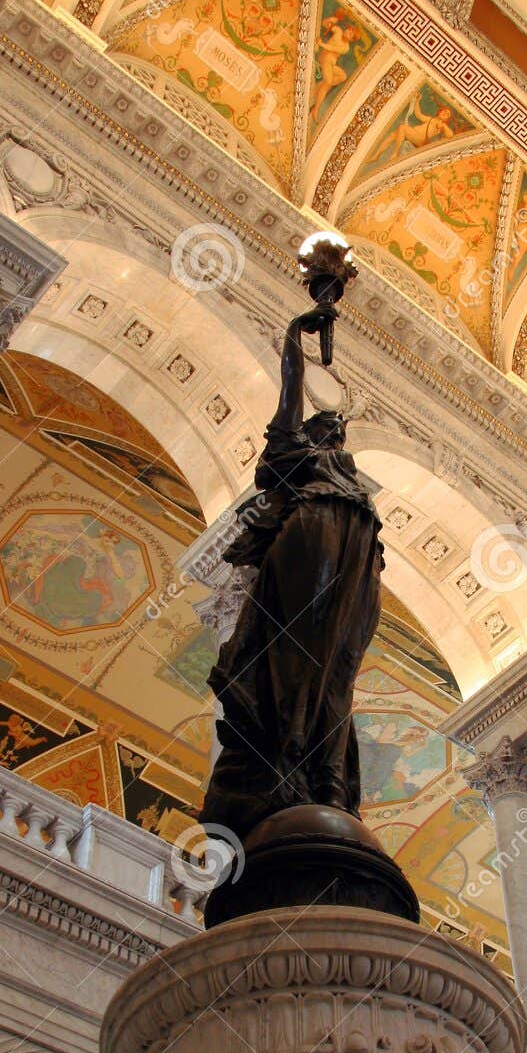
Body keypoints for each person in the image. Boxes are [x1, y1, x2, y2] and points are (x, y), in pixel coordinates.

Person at [200, 303, 383, 841]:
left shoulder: (349, 479)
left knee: (340, 666)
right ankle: (294, 757)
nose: (338, 431)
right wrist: (294, 336)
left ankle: (327, 779)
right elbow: (288, 393)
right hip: (317, 525)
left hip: (361, 547)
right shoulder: (295, 448)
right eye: (330, 424)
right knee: (297, 651)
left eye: (340, 430)